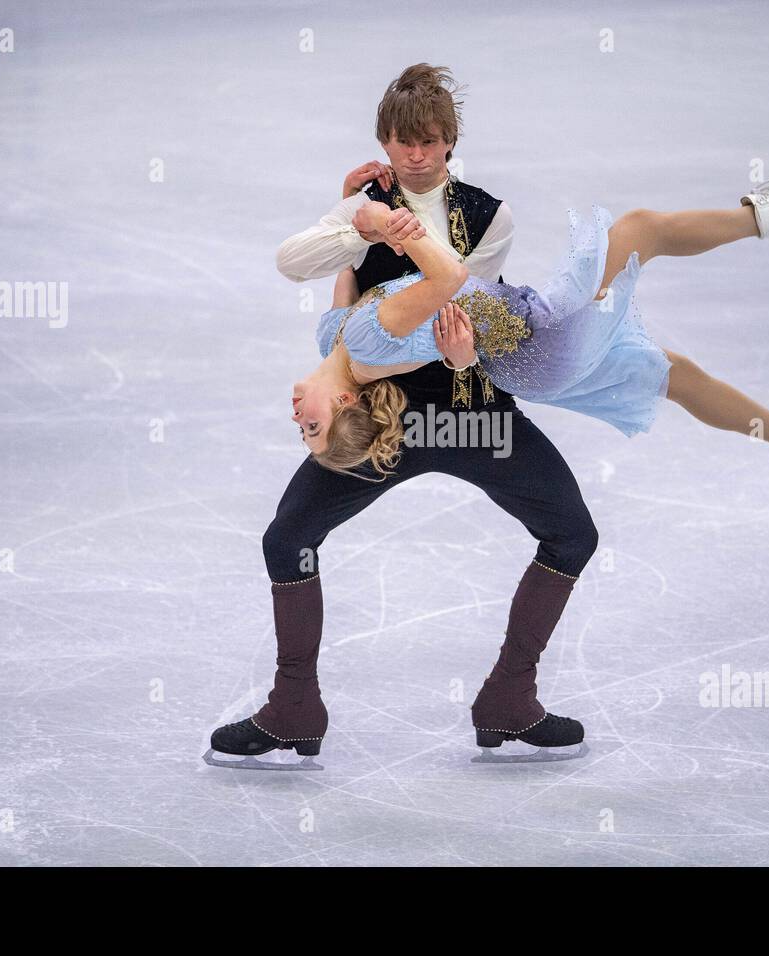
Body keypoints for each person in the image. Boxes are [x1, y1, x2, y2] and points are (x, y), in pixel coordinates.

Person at [208, 64, 601, 766]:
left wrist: (374, 235)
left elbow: (461, 311)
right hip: (384, 418)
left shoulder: (489, 216)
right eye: (399, 141)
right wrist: (353, 222)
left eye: (427, 141)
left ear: (450, 141)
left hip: (468, 411)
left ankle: (510, 696)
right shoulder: (366, 203)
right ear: (384, 143)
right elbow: (294, 263)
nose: (414, 155)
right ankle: (294, 704)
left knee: (572, 533)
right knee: (288, 538)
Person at [293, 130, 769, 512]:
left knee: (672, 375)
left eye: (304, 431)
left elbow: (350, 259)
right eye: (315, 429)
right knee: (640, 231)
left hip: (529, 356)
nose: (300, 421)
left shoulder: (336, 339)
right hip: (536, 342)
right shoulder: (367, 344)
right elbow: (446, 278)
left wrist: (349, 203)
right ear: (346, 400)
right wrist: (378, 213)